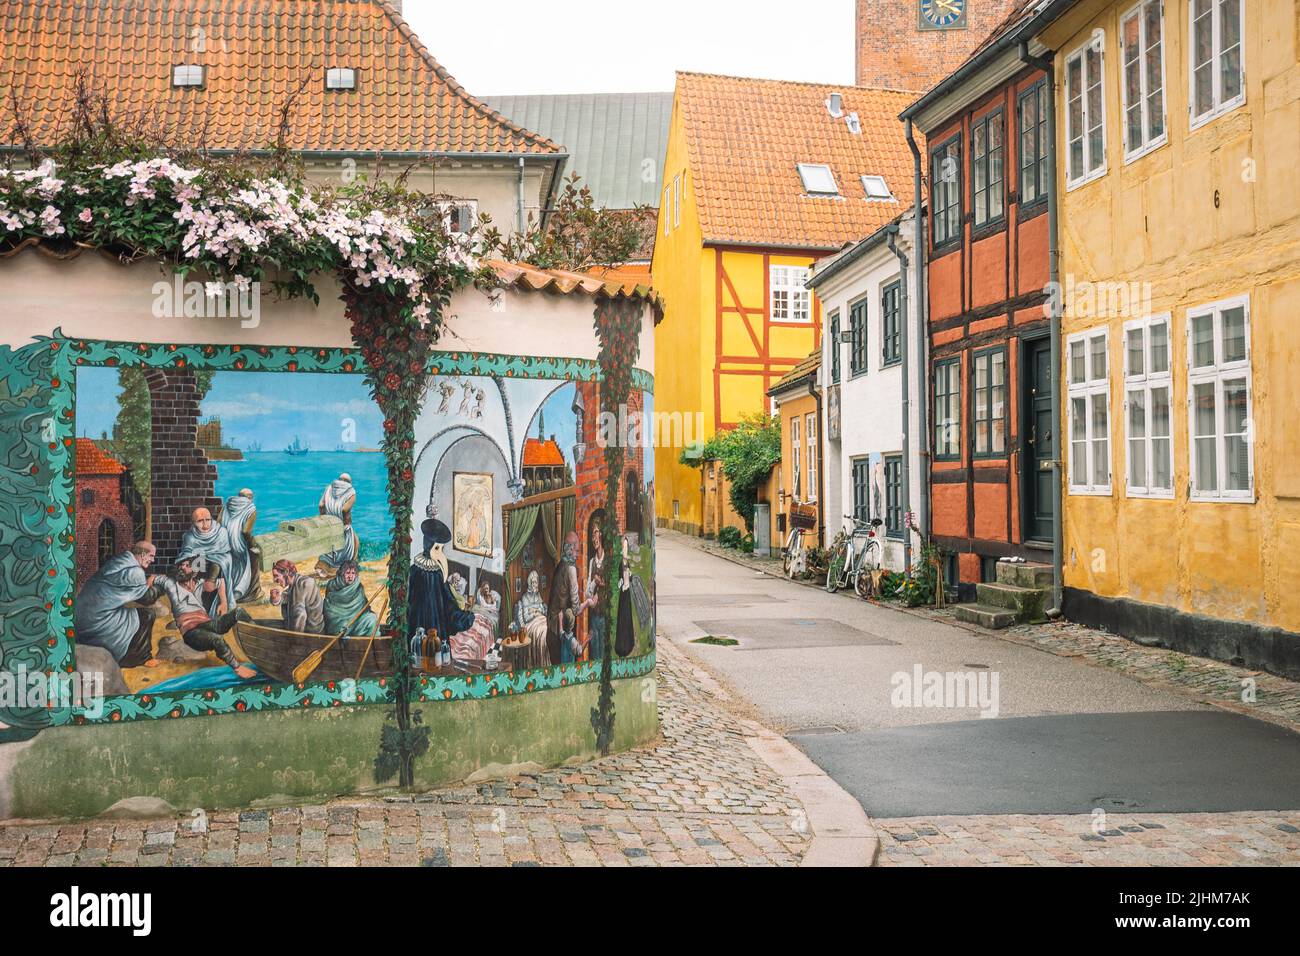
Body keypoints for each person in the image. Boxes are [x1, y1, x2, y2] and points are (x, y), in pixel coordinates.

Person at [141, 555, 255, 679]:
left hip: (208, 624)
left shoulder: (200, 584)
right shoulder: (171, 584)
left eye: (187, 566)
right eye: (181, 565)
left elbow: (220, 581)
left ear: (195, 571)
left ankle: (258, 632)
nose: (182, 568)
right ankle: (238, 668)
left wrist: (223, 602)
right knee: (217, 640)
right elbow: (153, 577)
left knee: (238, 611)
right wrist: (147, 592)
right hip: (192, 632)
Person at [74, 541, 162, 668]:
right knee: (147, 615)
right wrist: (157, 584)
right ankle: (139, 658)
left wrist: (146, 585)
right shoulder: (135, 572)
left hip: (83, 622)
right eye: (151, 556)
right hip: (98, 622)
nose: (152, 560)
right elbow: (147, 598)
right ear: (143, 555)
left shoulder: (118, 562)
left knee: (132, 613)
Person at [407, 517, 475, 661]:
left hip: (437, 632)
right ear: (428, 545)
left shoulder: (438, 574)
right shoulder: (413, 572)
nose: (440, 553)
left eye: (441, 549)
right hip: (417, 632)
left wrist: (463, 618)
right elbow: (407, 605)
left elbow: (449, 605)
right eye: (437, 548)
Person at [181, 506, 236, 614]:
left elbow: (225, 555)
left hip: (217, 567)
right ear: (194, 523)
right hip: (198, 566)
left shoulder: (221, 532)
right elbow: (185, 555)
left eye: (208, 520)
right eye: (200, 521)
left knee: (214, 574)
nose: (205, 525)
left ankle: (220, 605)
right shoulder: (189, 537)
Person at [549, 531, 586, 664]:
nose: (578, 555)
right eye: (576, 551)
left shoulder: (560, 565)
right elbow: (576, 609)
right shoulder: (571, 569)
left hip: (552, 627)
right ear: (570, 550)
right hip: (563, 630)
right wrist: (588, 602)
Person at [219, 488, 262, 602]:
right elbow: (246, 531)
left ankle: (229, 592)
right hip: (239, 544)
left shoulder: (227, 505)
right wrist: (253, 544)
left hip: (225, 543)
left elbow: (218, 523)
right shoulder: (251, 509)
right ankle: (243, 594)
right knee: (248, 564)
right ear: (250, 497)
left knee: (232, 568)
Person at [322, 559, 376, 636]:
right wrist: (340, 623)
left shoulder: (359, 588)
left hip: (356, 623)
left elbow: (365, 608)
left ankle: (366, 644)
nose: (350, 576)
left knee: (372, 618)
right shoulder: (333, 586)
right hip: (339, 624)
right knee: (342, 626)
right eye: (347, 573)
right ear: (342, 574)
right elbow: (328, 609)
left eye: (353, 573)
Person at [317, 473, 359, 571]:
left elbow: (321, 505)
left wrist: (324, 519)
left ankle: (324, 564)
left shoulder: (329, 488)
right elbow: (345, 510)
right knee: (352, 542)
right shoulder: (351, 492)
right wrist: (346, 522)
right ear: (349, 482)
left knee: (328, 544)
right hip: (341, 522)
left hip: (329, 522)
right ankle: (346, 566)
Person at [270, 560, 325, 634]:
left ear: (286, 572)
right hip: (302, 629)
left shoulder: (304, 584)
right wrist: (277, 599)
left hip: (311, 633)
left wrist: (294, 640)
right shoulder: (295, 583)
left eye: (276, 576)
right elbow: (289, 596)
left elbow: (299, 615)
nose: (274, 580)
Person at [509, 570, 549, 670]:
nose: (535, 585)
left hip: (542, 619)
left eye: (536, 582)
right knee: (542, 633)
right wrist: (536, 612)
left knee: (548, 627)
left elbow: (543, 611)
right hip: (532, 623)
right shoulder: (525, 597)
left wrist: (535, 610)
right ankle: (541, 662)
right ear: (530, 583)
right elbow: (526, 618)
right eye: (533, 582)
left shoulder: (538, 595)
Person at [581, 526, 608, 661]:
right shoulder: (591, 562)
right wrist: (594, 583)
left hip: (604, 613)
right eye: (592, 535)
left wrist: (602, 584)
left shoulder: (607, 560)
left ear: (601, 534)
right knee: (595, 648)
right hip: (594, 614)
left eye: (596, 532)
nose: (594, 538)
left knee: (603, 647)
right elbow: (587, 593)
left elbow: (611, 588)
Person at [615, 535, 635, 657]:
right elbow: (619, 581)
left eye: (627, 547)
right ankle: (622, 645)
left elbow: (630, 578)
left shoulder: (628, 564)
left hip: (627, 594)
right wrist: (622, 583)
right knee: (622, 618)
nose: (625, 550)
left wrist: (630, 576)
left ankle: (628, 644)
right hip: (623, 594)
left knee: (628, 617)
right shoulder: (620, 564)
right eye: (624, 547)